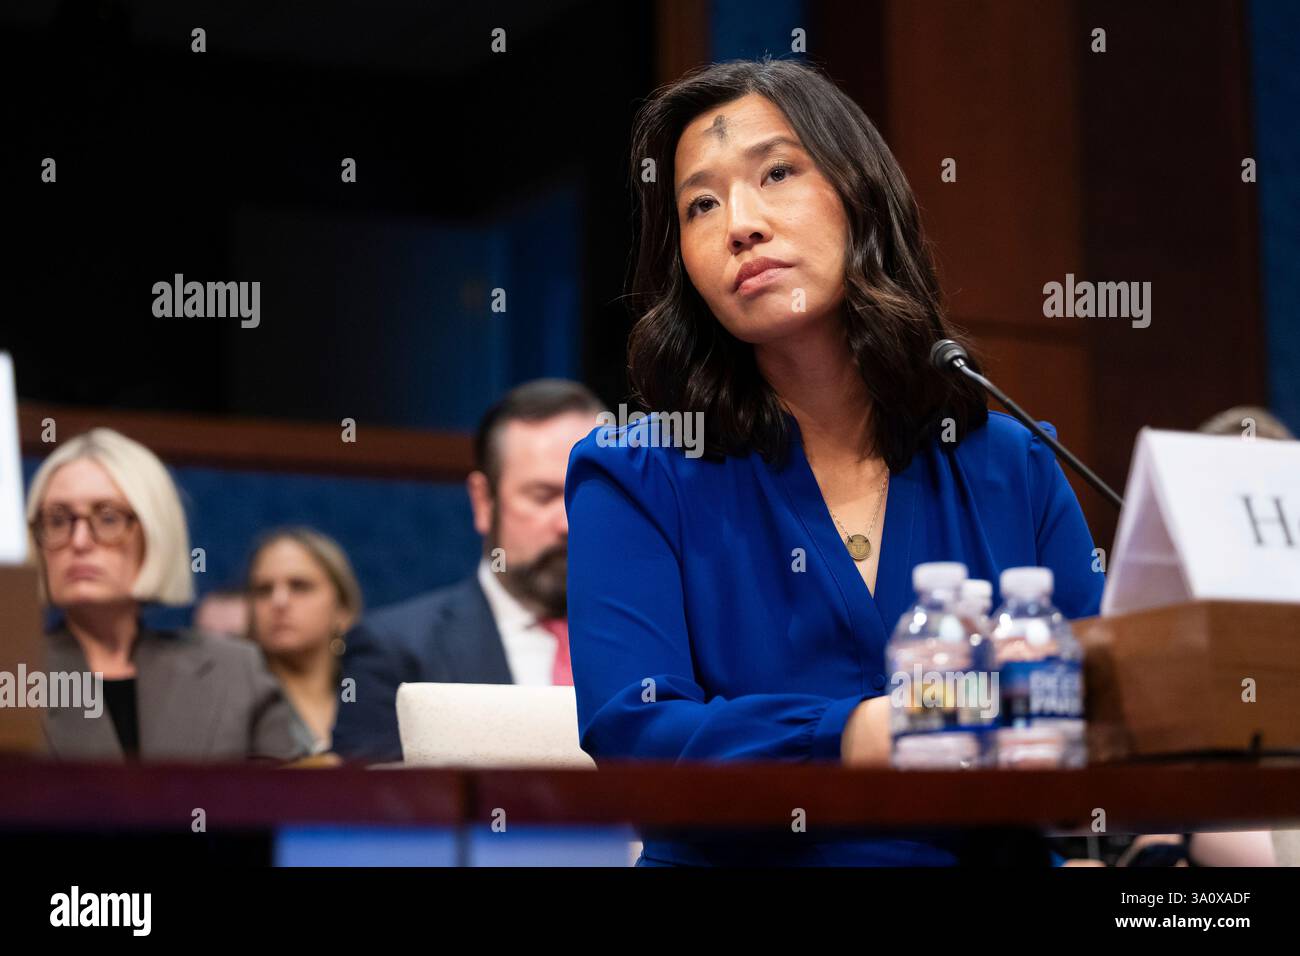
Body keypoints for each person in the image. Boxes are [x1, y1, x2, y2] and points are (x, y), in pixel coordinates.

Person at [564, 58, 1105, 866]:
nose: (739, 223)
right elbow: (635, 733)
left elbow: (1103, 708)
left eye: (776, 172)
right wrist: (862, 732)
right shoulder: (637, 470)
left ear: (861, 196)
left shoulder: (1011, 463)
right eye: (700, 204)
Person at [330, 379, 605, 763]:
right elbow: (373, 813)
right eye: (542, 496)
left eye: (586, 495)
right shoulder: (395, 654)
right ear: (483, 501)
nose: (567, 522)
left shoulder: (668, 646)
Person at [25, 428, 314, 762]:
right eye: (57, 520)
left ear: (154, 531)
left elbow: (294, 804)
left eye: (107, 518)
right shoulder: (14, 677)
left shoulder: (235, 670)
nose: (79, 541)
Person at [245, 527, 363, 752]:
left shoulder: (370, 690)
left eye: (299, 586)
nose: (278, 601)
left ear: (342, 608)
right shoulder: (234, 697)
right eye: (263, 590)